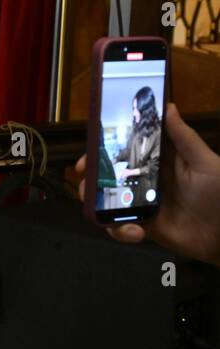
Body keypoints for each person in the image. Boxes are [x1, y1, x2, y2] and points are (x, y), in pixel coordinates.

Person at [77, 103, 220, 269]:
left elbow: (152, 166)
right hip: (138, 189)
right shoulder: (136, 133)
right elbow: (127, 152)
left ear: (145, 109)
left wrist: (131, 172)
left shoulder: (154, 135)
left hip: (147, 185)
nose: (133, 112)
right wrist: (113, 159)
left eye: (136, 107)